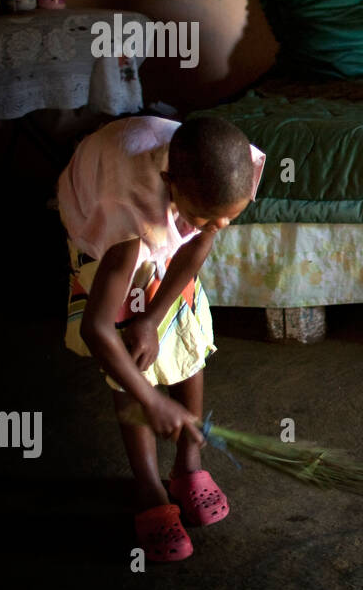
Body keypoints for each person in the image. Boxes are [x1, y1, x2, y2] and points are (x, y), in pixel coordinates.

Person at [58, 116, 264, 561]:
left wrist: (154, 318)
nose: (218, 226)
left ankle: (188, 466)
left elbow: (196, 245)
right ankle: (150, 489)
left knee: (184, 333)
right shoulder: (125, 217)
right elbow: (97, 330)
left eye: (227, 219)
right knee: (130, 359)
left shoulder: (229, 173)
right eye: (205, 218)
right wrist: (151, 402)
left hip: (158, 211)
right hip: (108, 229)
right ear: (171, 185)